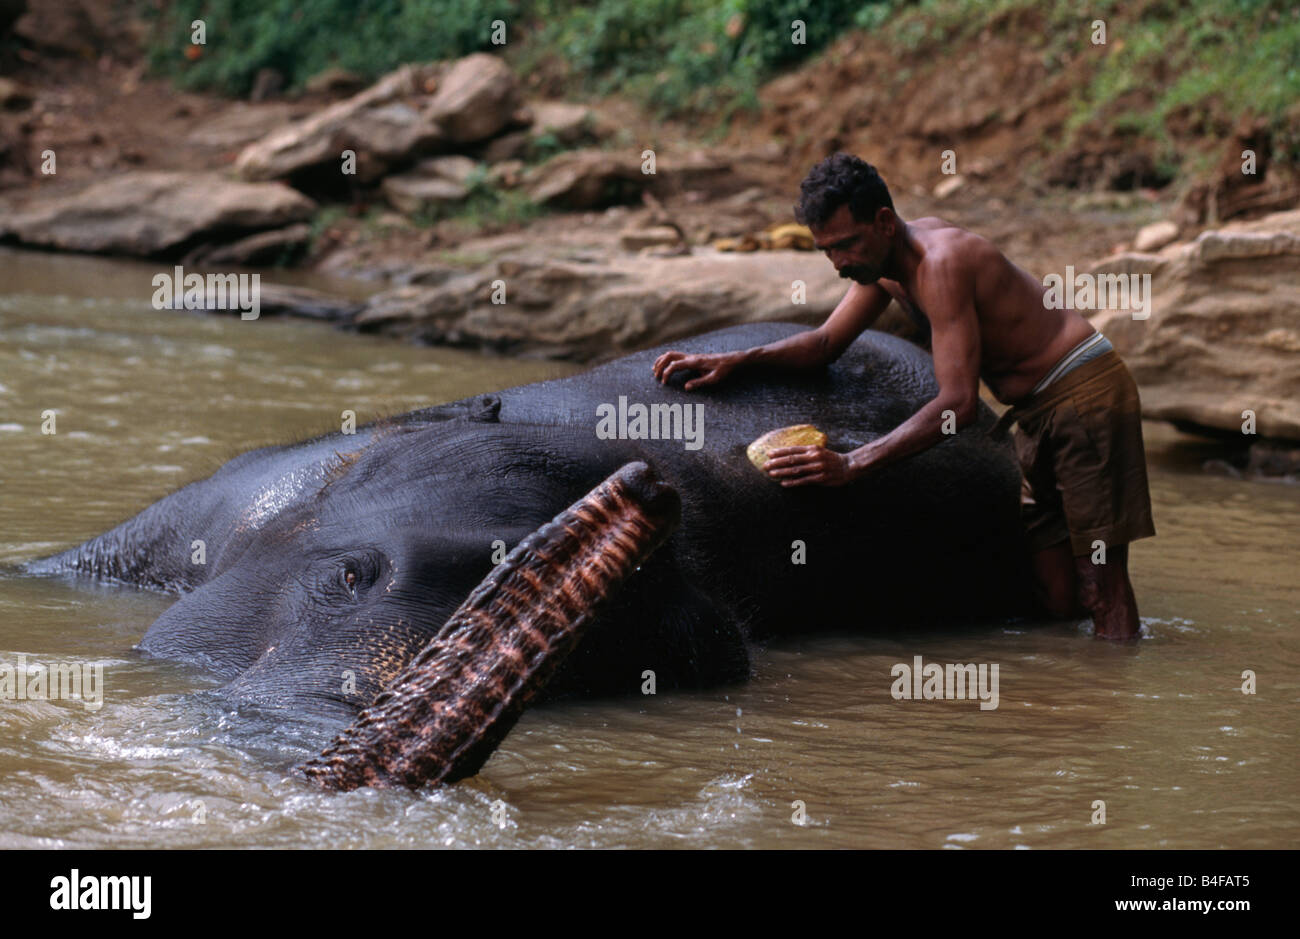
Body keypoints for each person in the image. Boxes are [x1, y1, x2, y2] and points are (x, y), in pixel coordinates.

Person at [651, 153, 1155, 640]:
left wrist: (852, 465)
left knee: (1100, 588)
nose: (839, 262)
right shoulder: (884, 265)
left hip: (1084, 396)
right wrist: (738, 360)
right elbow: (826, 343)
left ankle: (1119, 710)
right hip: (1034, 412)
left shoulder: (941, 265)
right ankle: (1084, 696)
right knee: (1057, 596)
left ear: (885, 221)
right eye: (827, 250)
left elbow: (958, 404)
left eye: (846, 244)